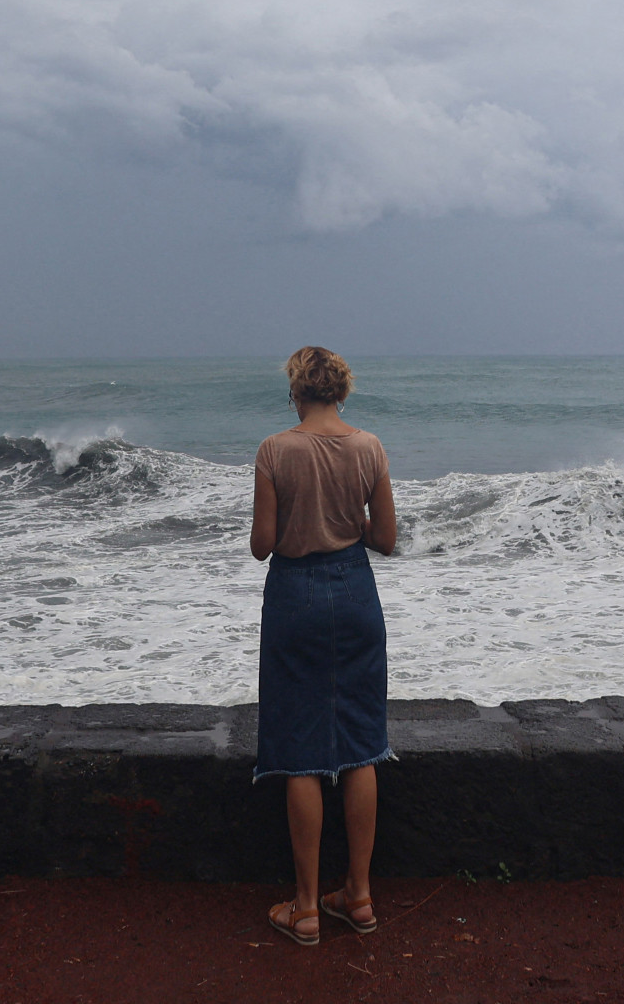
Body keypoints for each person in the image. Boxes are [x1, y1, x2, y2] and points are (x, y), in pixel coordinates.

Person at [249, 345, 398, 947]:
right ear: (341, 389)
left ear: (295, 391)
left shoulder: (274, 450)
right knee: (362, 744)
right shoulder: (369, 447)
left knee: (299, 747)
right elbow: (386, 538)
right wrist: (349, 524)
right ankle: (358, 896)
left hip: (296, 597)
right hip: (356, 592)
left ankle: (306, 907)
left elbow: (262, 544)